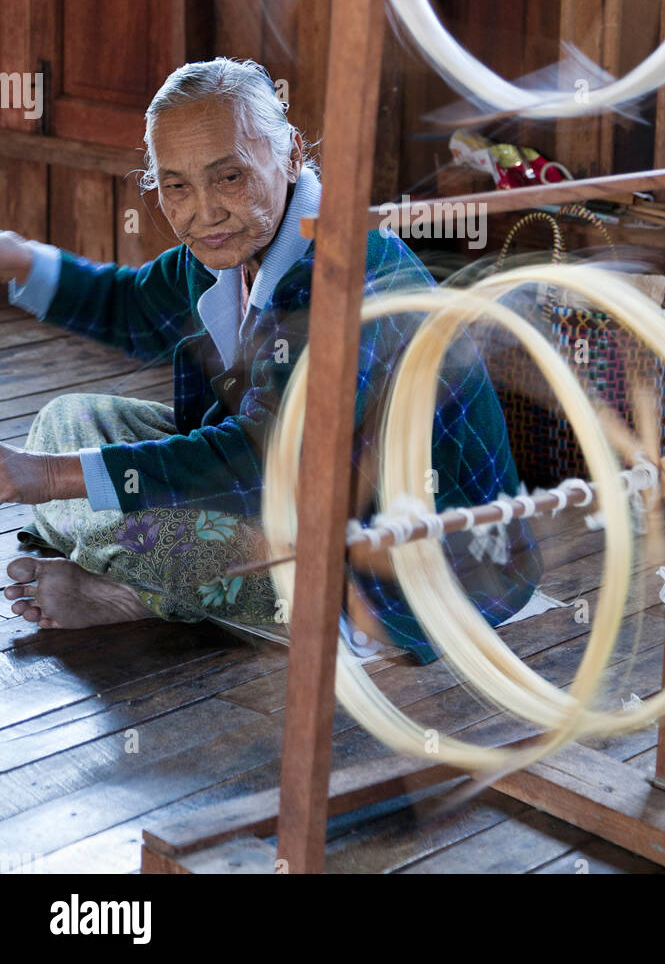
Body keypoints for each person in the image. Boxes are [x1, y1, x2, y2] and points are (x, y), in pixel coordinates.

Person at [0, 59, 540, 658]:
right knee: (65, 422)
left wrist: (45, 479)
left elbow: (260, 461)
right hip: (290, 497)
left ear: (291, 155)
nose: (203, 211)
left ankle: (134, 592)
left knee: (156, 525)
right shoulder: (227, 244)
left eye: (229, 176)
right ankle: (157, 578)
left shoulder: (345, 277)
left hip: (412, 565)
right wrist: (19, 259)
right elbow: (132, 308)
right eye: (175, 185)